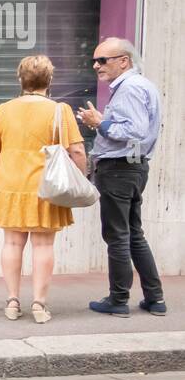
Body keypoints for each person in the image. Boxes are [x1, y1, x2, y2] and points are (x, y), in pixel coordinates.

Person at [0, 56, 87, 323]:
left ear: (21, 79)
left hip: (10, 185)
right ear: (49, 80)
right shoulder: (59, 110)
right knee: (43, 246)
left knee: (12, 243)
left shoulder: (3, 110)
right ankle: (39, 305)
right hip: (46, 186)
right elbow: (76, 149)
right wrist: (81, 178)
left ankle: (12, 301)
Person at [76, 37, 165, 316]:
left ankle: (118, 300)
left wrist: (99, 123)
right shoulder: (142, 86)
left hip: (119, 169)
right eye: (94, 60)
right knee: (133, 234)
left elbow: (134, 131)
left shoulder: (130, 88)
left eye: (102, 60)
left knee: (117, 235)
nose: (96, 66)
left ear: (123, 61)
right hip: (133, 167)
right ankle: (155, 298)